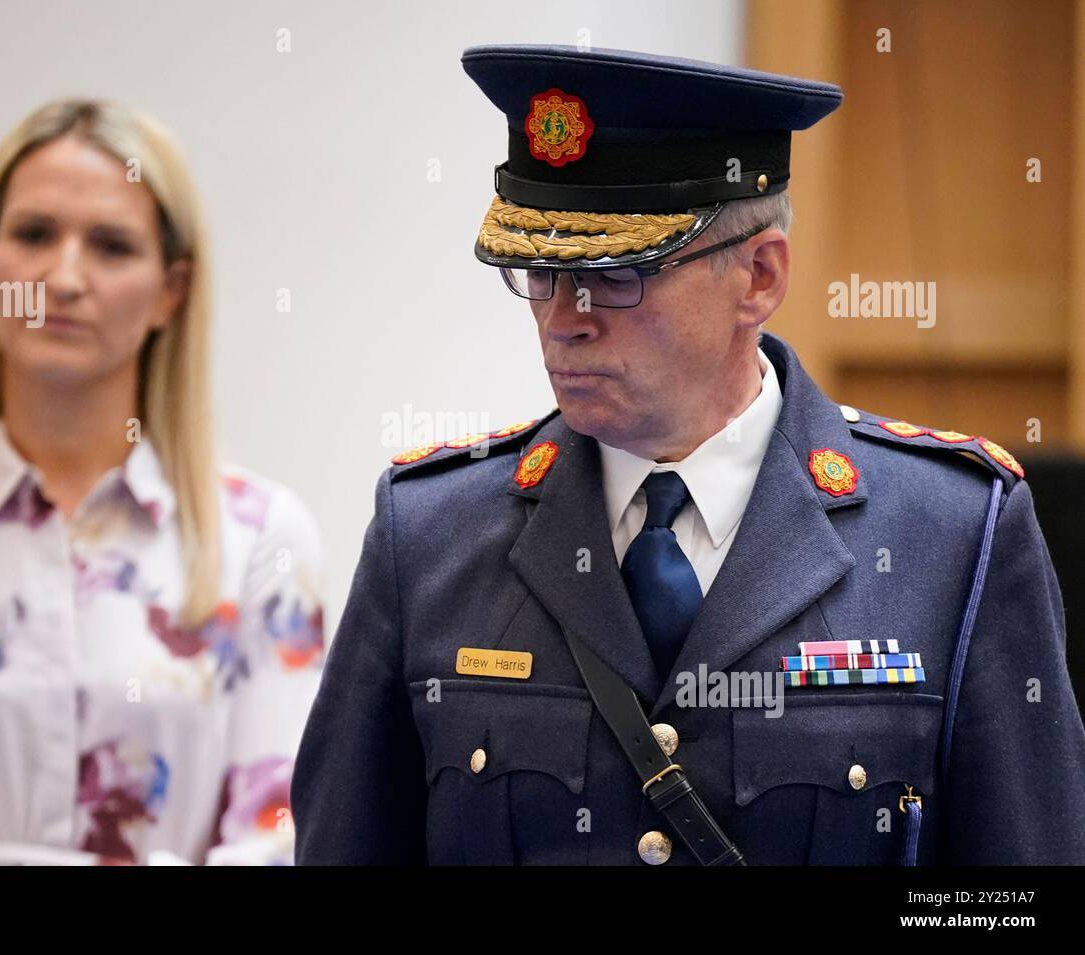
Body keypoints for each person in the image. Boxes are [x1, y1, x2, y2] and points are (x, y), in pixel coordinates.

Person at [290, 45, 1085, 865]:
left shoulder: (952, 536)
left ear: (760, 276)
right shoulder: (427, 537)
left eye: (619, 272)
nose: (566, 318)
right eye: (540, 272)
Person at [0, 99, 325, 865]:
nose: (63, 276)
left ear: (171, 289)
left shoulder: (261, 539)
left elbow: (279, 836)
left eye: (110, 245)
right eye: (35, 234)